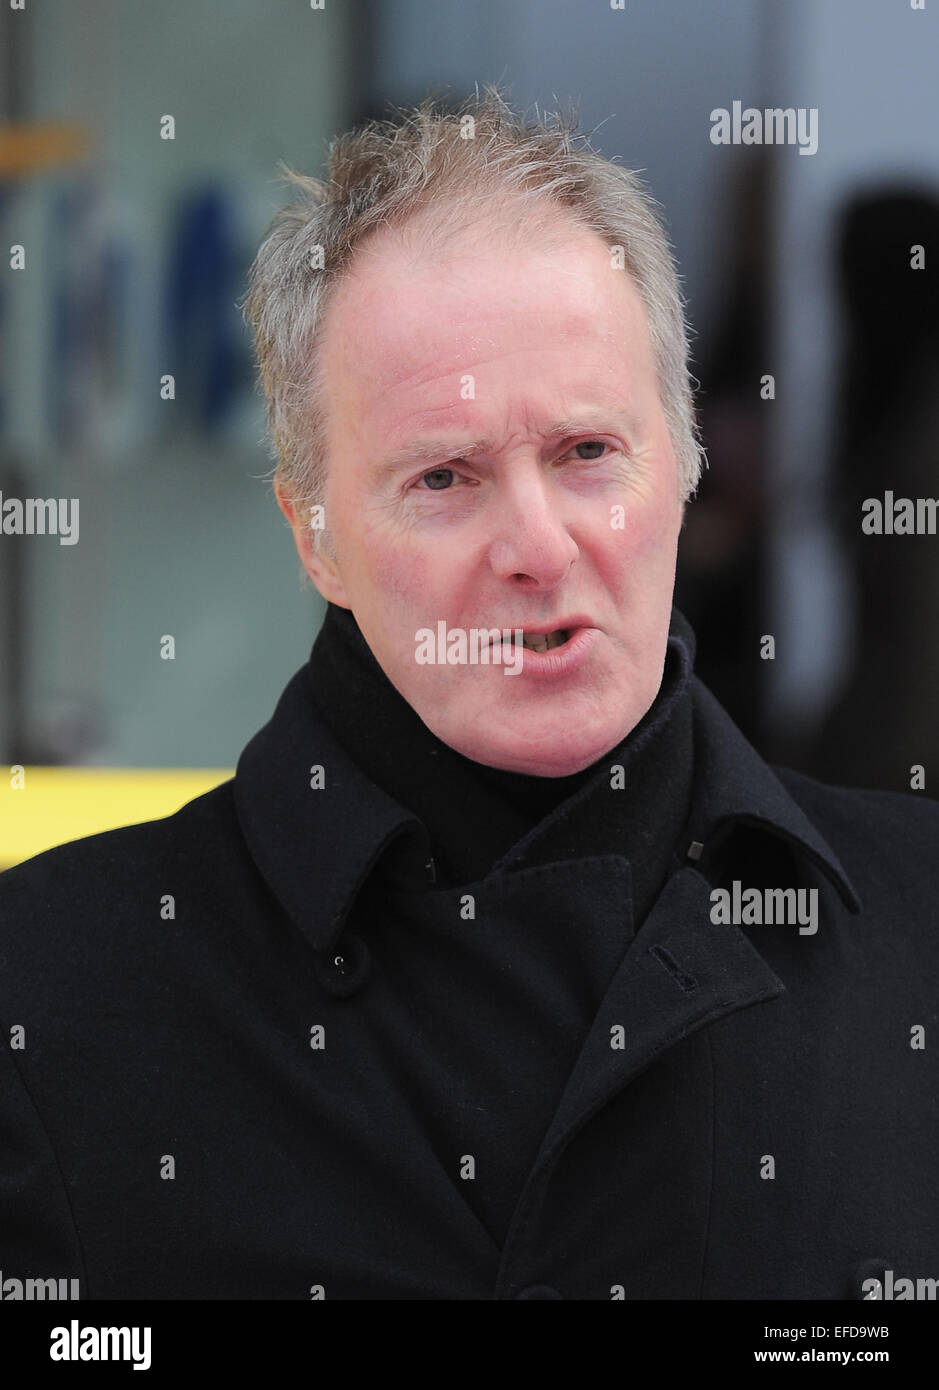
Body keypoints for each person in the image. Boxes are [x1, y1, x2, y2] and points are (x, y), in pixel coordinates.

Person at [1, 87, 937, 1302]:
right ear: (315, 535)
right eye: (443, 477)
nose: (538, 546)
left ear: (685, 469)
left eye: (587, 453)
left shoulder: (917, 933)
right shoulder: (54, 993)